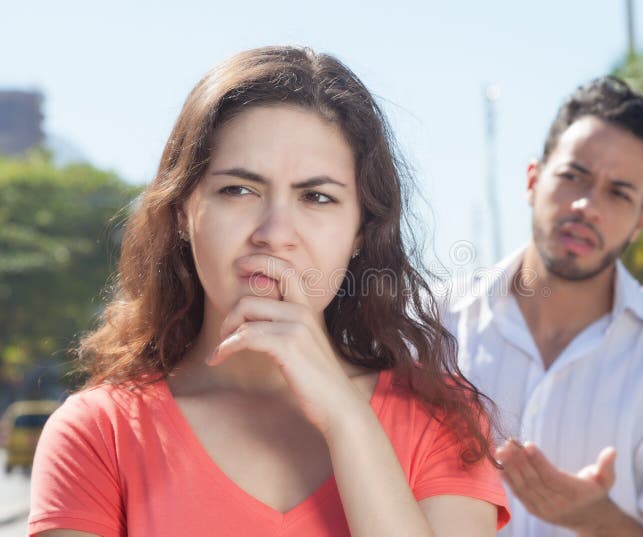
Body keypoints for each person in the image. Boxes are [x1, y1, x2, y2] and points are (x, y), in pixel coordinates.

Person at [28, 46, 509, 537]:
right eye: (239, 190)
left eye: (317, 197)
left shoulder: (441, 421)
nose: (275, 232)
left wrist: (347, 419)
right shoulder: (98, 433)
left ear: (361, 230)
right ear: (181, 212)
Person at [441, 77, 643, 537]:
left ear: (642, 221)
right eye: (573, 175)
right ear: (533, 180)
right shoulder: (431, 321)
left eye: (618, 193)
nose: (586, 205)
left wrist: (597, 520)